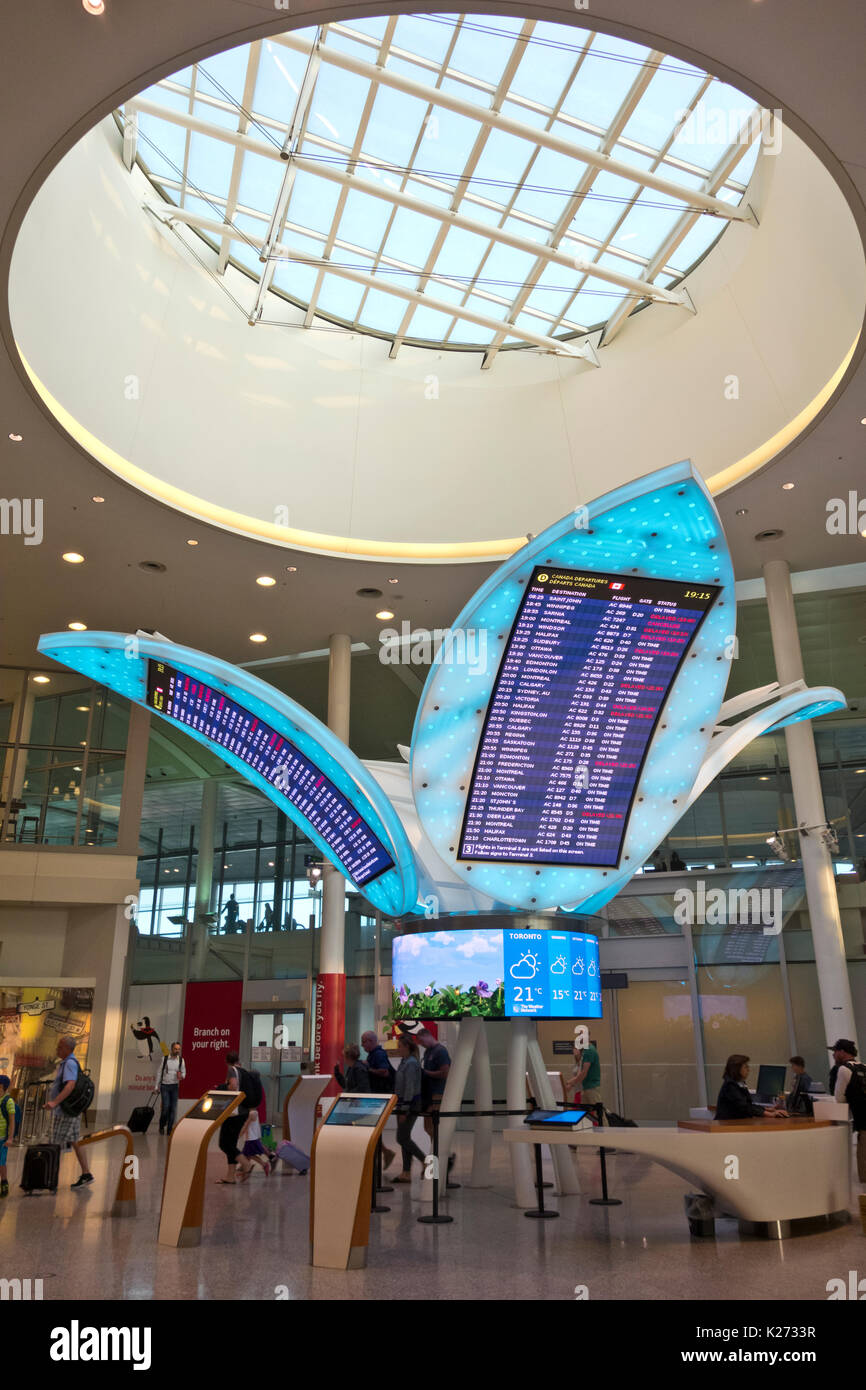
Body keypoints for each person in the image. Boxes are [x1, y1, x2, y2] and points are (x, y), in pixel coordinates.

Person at [44, 1036, 94, 1188]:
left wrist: (54, 1102)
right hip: (70, 1110)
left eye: (59, 1046)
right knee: (75, 1140)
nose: (57, 1049)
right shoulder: (67, 1063)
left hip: (65, 1111)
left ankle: (50, 1178)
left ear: (67, 1048)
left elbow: (70, 1085)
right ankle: (86, 1174)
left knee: (55, 1142)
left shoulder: (70, 1064)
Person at [828, 1039, 866, 1182]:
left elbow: (839, 1098)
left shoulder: (844, 1069)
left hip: (862, 1122)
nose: (833, 1055)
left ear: (842, 1052)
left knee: (864, 1162)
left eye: (835, 1051)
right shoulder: (863, 1067)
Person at [391, 1035, 424, 1183]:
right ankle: (406, 1172)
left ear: (406, 1047)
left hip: (409, 1105)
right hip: (402, 1104)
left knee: (402, 1137)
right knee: (405, 1138)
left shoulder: (411, 1063)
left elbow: (410, 1087)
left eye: (400, 1046)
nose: (398, 1049)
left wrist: (405, 1109)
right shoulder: (404, 1062)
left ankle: (425, 1160)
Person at [361, 1029, 396, 1166]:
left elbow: (385, 1072)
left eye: (364, 1042)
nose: (363, 1045)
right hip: (376, 1096)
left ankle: (384, 1153)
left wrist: (368, 1069)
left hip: (380, 1096)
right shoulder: (372, 1055)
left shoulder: (379, 1055)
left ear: (370, 1041)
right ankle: (384, 1152)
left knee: (372, 1128)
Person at [715, 1055, 787, 1120]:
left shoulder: (740, 1083)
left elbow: (748, 1105)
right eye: (746, 1067)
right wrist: (770, 1114)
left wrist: (767, 1109)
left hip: (735, 1124)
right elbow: (744, 1107)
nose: (748, 1070)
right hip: (726, 1127)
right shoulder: (730, 1085)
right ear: (737, 1069)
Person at [216, 1050, 249, 1185]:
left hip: (234, 1112)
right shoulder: (244, 1071)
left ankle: (245, 1163)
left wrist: (223, 1087)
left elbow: (233, 1087)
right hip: (243, 1111)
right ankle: (230, 1176)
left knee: (224, 1143)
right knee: (231, 1144)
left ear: (226, 1061)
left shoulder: (231, 1070)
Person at [418, 1027, 451, 1141]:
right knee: (428, 1126)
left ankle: (441, 1153)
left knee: (434, 1125)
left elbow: (445, 1073)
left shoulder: (441, 1051)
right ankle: (438, 1151)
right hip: (428, 1093)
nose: (422, 1045)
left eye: (422, 1041)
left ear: (428, 1036)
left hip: (438, 1092)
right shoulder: (428, 1052)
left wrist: (426, 1073)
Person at [237, 1104, 271, 1182]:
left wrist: (240, 1135)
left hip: (250, 1138)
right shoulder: (254, 1112)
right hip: (252, 1137)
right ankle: (244, 1169)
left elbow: (246, 1125)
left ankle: (263, 1165)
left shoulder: (251, 1113)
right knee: (247, 1155)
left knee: (248, 1154)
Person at [159, 1041, 186, 1135]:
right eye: (175, 1049)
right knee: (165, 1107)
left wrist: (181, 1076)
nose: (177, 1051)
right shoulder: (165, 1059)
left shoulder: (181, 1060)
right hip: (164, 1086)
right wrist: (156, 1087)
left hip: (175, 1086)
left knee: (173, 1109)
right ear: (172, 1049)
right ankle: (162, 1125)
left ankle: (169, 1129)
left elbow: (184, 1073)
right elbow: (159, 1073)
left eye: (179, 1049)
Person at [0, 1074, 15, 1199]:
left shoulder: (8, 1101)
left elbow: (12, 1121)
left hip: (3, 1139)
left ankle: (4, 1182)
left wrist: (10, 1138)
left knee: (1, 1162)